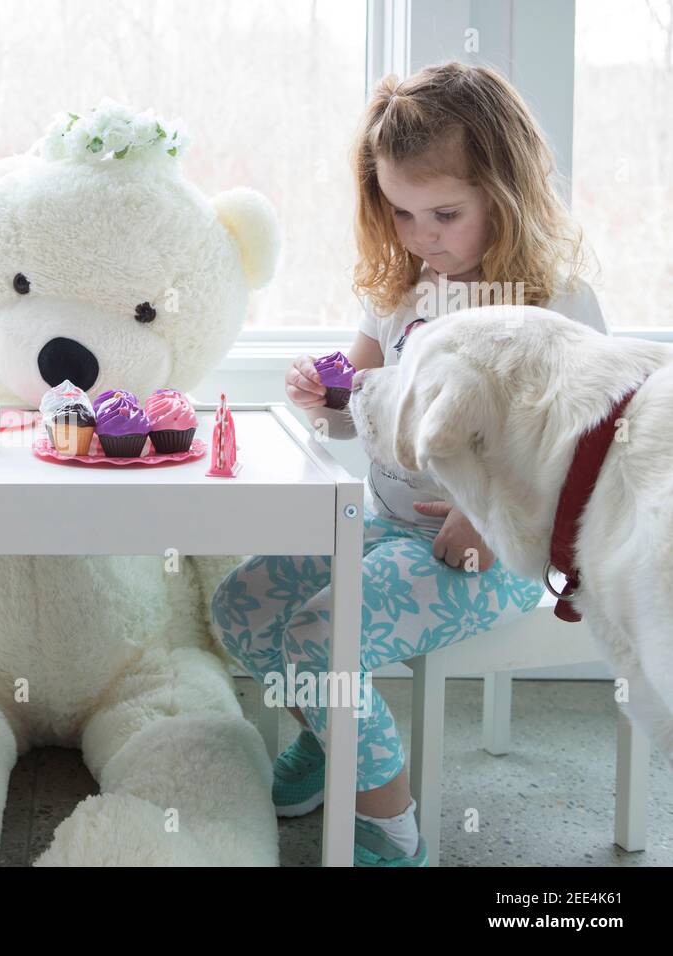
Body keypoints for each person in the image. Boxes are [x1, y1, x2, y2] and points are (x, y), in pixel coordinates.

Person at [211, 61, 607, 865]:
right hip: (382, 524)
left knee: (321, 637)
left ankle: (390, 829)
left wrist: (493, 516)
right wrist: (324, 398)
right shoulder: (402, 289)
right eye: (400, 213)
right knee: (242, 606)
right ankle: (332, 740)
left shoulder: (552, 302)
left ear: (508, 191)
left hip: (492, 553)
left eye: (445, 213)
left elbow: (586, 453)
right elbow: (363, 401)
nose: (423, 236)